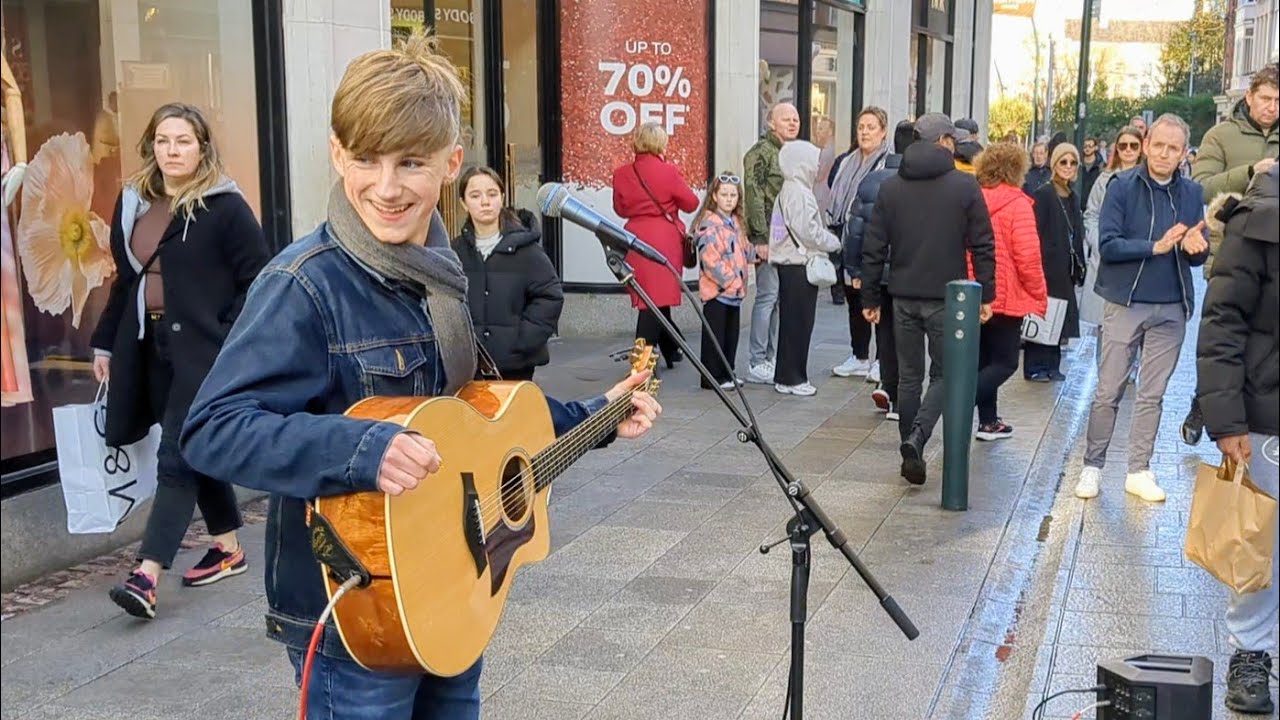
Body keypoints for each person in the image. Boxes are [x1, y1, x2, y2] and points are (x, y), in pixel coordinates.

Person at [179, 33, 661, 719]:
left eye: (410, 163)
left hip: (452, 580)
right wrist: (361, 449)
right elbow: (213, 431)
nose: (386, 186)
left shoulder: (441, 274)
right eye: (366, 160)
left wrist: (598, 416)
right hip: (356, 609)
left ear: (451, 164)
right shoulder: (304, 284)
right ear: (336, 153)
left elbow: (476, 421)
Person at [90, 103, 269, 619]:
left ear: (202, 147)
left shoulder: (225, 207)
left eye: (183, 141)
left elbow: (259, 278)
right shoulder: (134, 204)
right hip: (150, 344)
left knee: (178, 451)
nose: (173, 150)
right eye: (164, 140)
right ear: (152, 146)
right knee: (197, 444)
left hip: (204, 350)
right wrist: (105, 343)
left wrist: (228, 335)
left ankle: (147, 575)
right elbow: (126, 280)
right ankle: (228, 547)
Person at [1076, 114, 1209, 502]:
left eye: (1174, 148)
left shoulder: (1191, 193)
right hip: (1125, 300)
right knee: (1108, 390)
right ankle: (1092, 466)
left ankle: (1139, 469)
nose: (1164, 154)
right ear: (1147, 143)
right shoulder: (1120, 185)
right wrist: (1156, 246)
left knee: (1152, 394)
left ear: (1184, 153)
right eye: (1159, 145)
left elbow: (1198, 252)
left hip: (1171, 305)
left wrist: (1195, 250)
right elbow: (1110, 246)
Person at [860, 113, 996, 485]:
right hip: (947, 297)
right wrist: (987, 292)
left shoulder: (891, 188)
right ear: (947, 142)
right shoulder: (964, 187)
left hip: (901, 295)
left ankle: (910, 444)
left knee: (908, 378)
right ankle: (918, 438)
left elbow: (873, 247)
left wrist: (869, 297)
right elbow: (983, 244)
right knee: (945, 372)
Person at [1195, 164, 1278, 716]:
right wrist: (1226, 421)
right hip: (1268, 412)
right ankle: (1250, 654)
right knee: (1261, 540)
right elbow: (1222, 322)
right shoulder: (1257, 221)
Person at [1182, 63, 1278, 445]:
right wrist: (1253, 171)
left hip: (1273, 256)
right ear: (1250, 97)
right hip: (1229, 255)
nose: (1272, 107)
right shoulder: (1221, 136)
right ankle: (1208, 402)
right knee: (1226, 331)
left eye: (1279, 101)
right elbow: (1201, 189)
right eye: (1266, 99)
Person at [452, 166, 562, 381]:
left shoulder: (526, 250)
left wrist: (523, 340)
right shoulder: (454, 252)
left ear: (502, 197)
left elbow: (550, 295)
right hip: (468, 367)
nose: (485, 202)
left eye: (492, 194)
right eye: (475, 195)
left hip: (515, 366)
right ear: (464, 202)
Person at [973, 142, 1048, 440]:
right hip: (1006, 296)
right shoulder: (1019, 204)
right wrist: (1039, 294)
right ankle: (959, 402)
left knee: (982, 359)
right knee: (1004, 362)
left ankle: (988, 421)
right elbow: (1028, 256)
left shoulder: (973, 199)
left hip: (975, 291)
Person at [611, 122, 699, 371]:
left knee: (652, 296)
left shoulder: (622, 173)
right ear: (661, 143)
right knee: (653, 300)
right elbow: (691, 203)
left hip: (635, 238)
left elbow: (620, 208)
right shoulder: (668, 171)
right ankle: (642, 362)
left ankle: (673, 348)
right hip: (664, 239)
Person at [845, 120, 915, 420]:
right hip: (907, 271)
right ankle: (899, 398)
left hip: (876, 270)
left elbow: (855, 229)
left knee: (884, 330)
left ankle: (889, 385)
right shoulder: (916, 184)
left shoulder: (872, 181)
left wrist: (853, 268)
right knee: (907, 334)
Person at [769, 140, 841, 397]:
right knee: (799, 323)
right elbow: (808, 231)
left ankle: (785, 376)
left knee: (791, 323)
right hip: (799, 264)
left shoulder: (788, 189)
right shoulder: (799, 192)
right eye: (813, 160)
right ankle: (794, 378)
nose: (817, 165)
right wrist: (833, 241)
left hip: (789, 264)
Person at [827, 106, 890, 380]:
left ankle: (881, 360)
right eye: (861, 127)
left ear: (883, 132)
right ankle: (859, 355)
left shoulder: (888, 163)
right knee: (853, 298)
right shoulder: (846, 161)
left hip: (874, 237)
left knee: (876, 297)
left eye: (871, 127)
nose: (865, 132)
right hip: (846, 236)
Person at [744, 102, 801, 384]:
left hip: (788, 240)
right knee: (767, 296)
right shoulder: (761, 153)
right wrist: (760, 238)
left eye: (795, 119)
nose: (792, 123)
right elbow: (753, 196)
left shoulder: (791, 153)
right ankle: (757, 360)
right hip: (769, 238)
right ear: (771, 123)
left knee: (777, 299)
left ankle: (769, 356)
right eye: (786, 119)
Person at [1025, 143, 1085, 382]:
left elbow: (1076, 232)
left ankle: (1052, 364)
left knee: (1059, 316)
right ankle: (1034, 366)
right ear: (1054, 164)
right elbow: (1035, 230)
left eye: (1072, 163)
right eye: (1063, 162)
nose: (1068, 167)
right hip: (1046, 265)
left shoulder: (1073, 196)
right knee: (1042, 314)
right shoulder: (1043, 194)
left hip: (1065, 267)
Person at [692, 171, 754, 390]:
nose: (729, 199)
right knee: (714, 338)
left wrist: (757, 255)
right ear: (715, 196)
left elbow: (744, 248)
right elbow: (710, 260)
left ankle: (728, 372)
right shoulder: (709, 224)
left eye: (733, 195)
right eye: (725, 194)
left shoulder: (736, 222)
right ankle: (712, 377)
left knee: (730, 336)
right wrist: (730, 281)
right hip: (718, 292)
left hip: (734, 294)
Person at [1082, 126, 1145, 336]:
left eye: (1133, 145)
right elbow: (1091, 214)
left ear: (1141, 149)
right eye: (1123, 145)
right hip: (1107, 257)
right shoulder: (1104, 179)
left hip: (1138, 258)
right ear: (1116, 149)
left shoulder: (1149, 180)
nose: (1128, 150)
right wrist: (1099, 242)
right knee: (1104, 327)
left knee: (1135, 327)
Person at [1080, 136, 1104, 200]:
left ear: (1095, 147)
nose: (1087, 149)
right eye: (1085, 146)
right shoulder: (1078, 164)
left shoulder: (1101, 166)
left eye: (1090, 146)